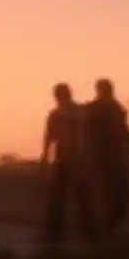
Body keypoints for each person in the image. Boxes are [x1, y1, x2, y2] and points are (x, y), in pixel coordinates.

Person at [82, 78, 129, 241]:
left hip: (111, 158)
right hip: (102, 158)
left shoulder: (111, 109)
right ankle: (103, 229)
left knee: (119, 193)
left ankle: (108, 228)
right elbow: (87, 135)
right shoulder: (96, 110)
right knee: (108, 195)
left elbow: (124, 131)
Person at [39, 82, 91, 246]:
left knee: (64, 196)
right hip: (72, 159)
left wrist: (45, 157)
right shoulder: (78, 112)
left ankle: (58, 231)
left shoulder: (61, 114)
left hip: (70, 159)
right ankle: (85, 230)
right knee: (77, 196)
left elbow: (49, 138)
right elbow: (50, 137)